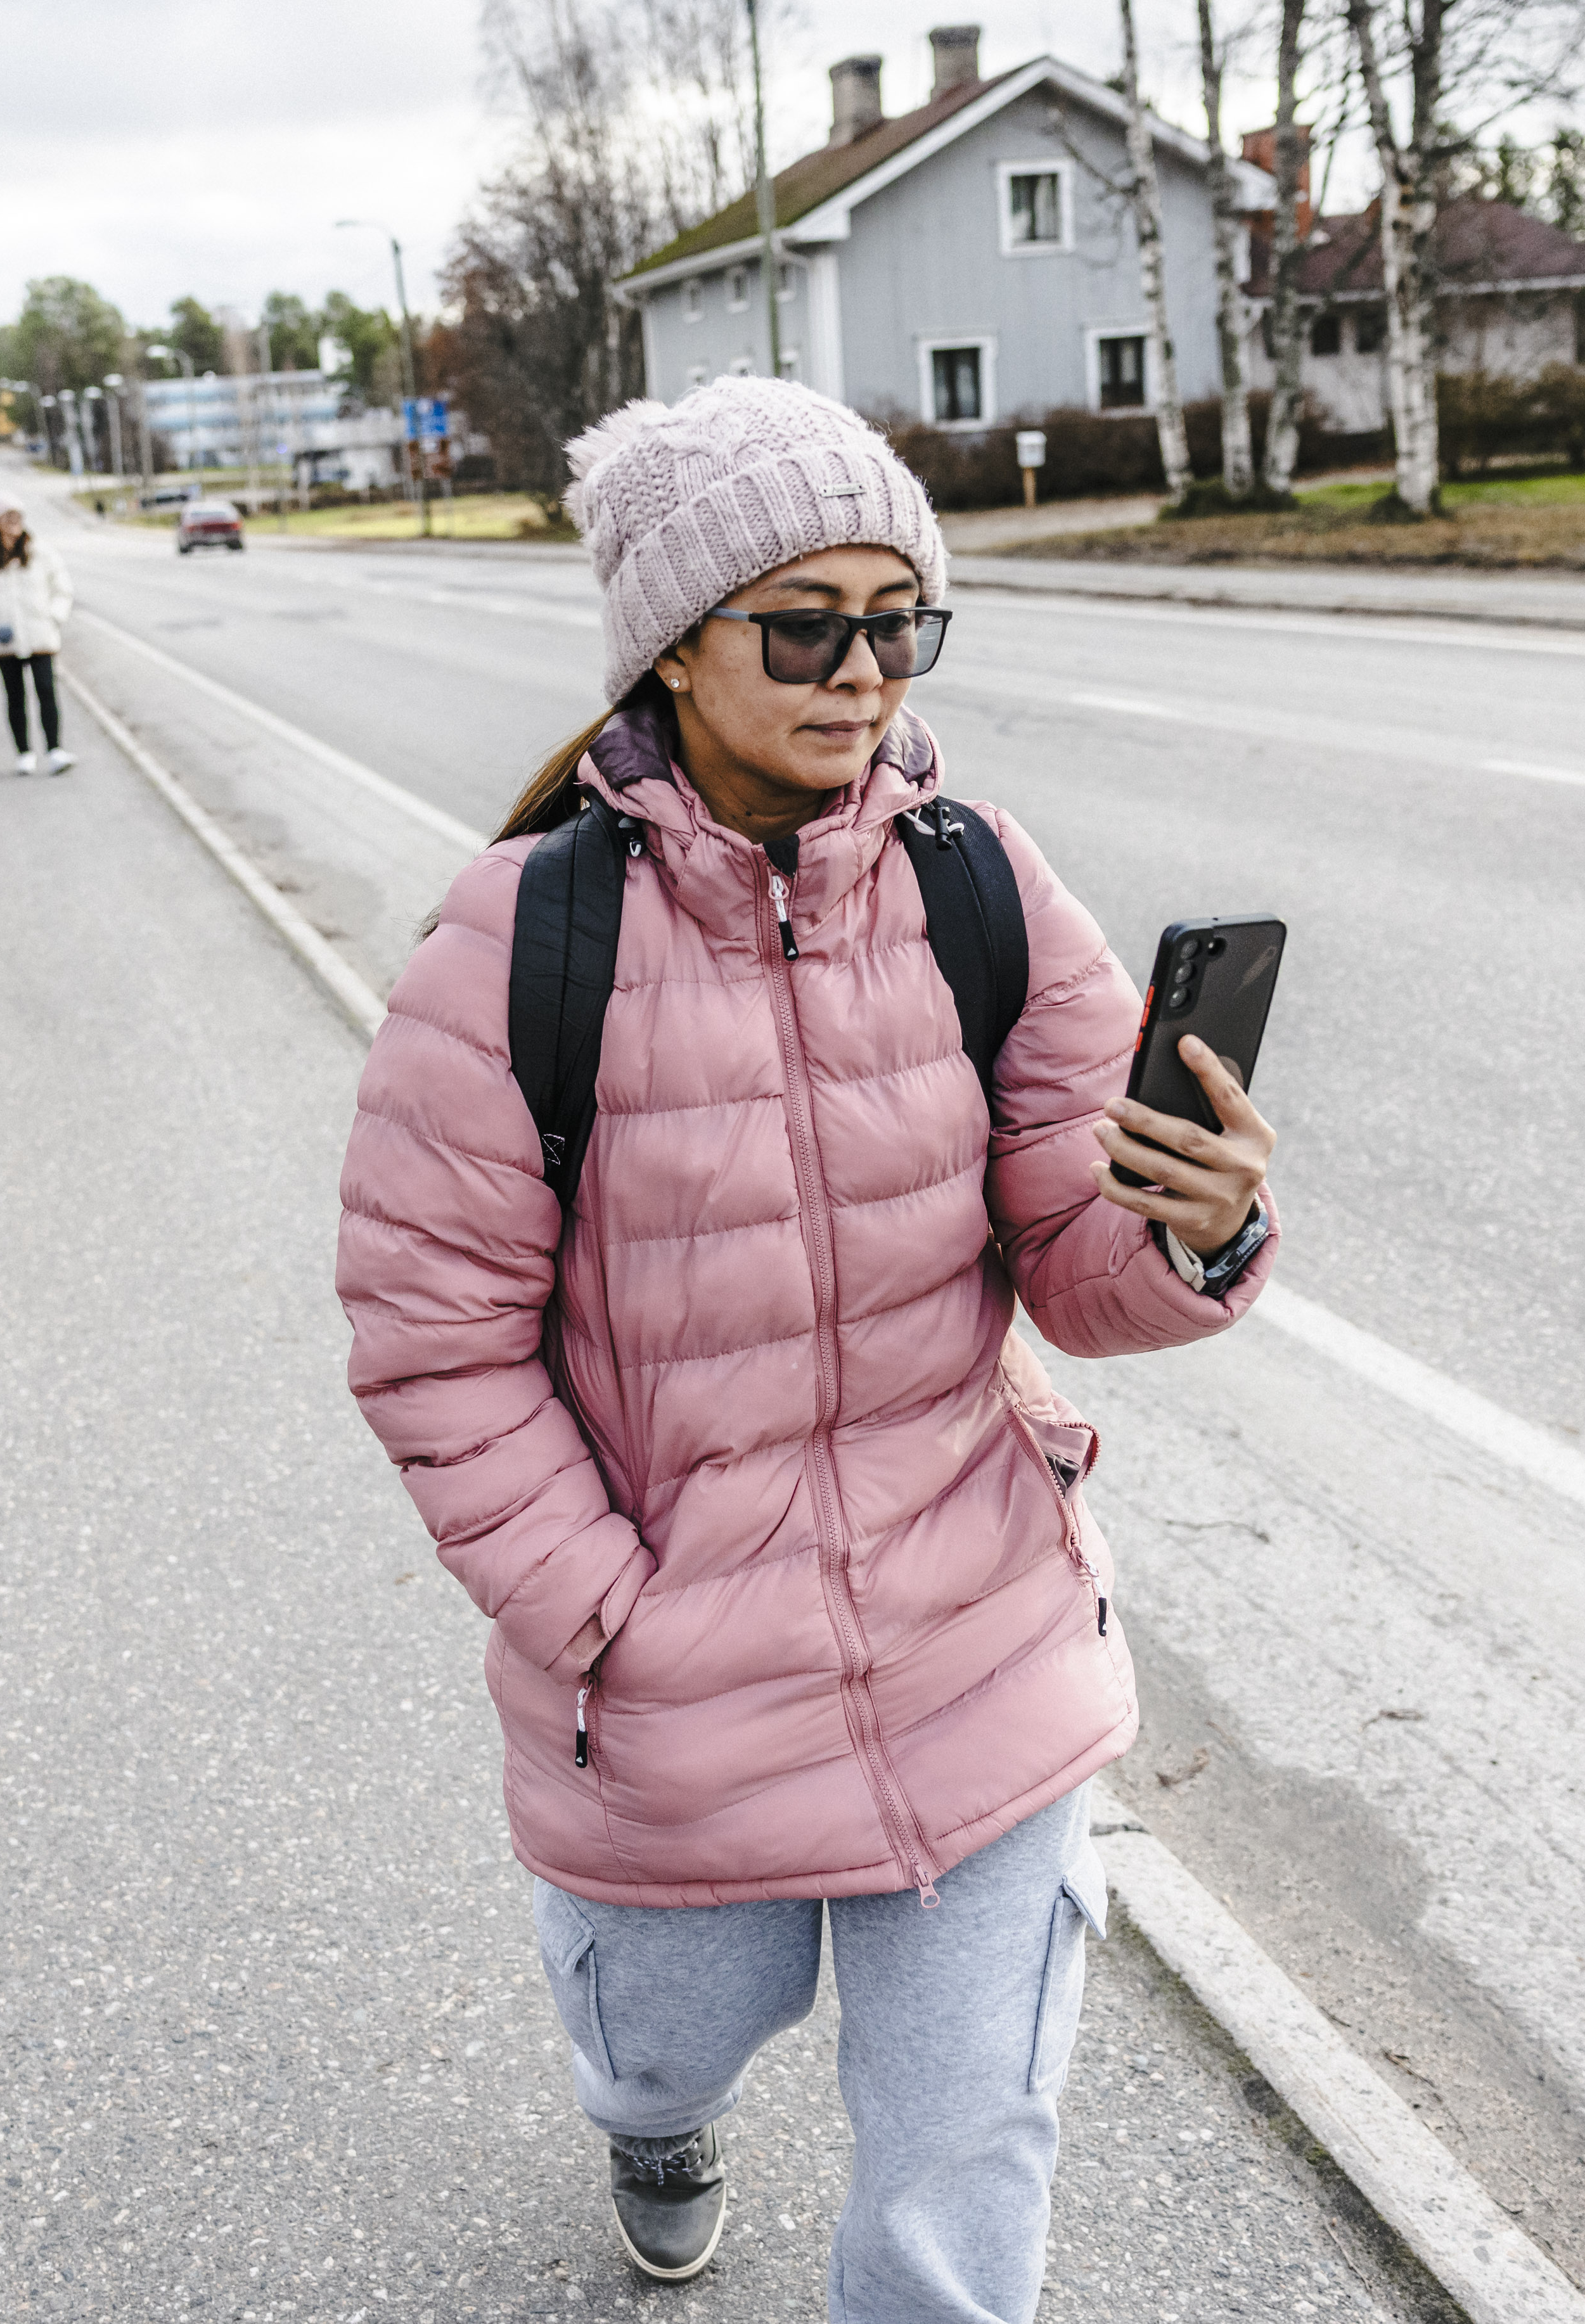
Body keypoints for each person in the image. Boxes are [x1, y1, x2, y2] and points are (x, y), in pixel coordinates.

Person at [334, 378, 1280, 2316]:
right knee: (672, 2036)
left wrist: (1194, 1223)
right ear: (675, 641)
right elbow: (431, 1343)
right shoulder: (519, 941)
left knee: (964, 2156)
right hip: (678, 1690)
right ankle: (648, 2108)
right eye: (805, 624)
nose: (864, 672)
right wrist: (609, 1609)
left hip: (981, 1636)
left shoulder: (978, 885)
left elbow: (1072, 1257)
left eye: (897, 621)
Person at [0, 494, 73, 774]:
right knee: (15, 697)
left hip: (40, 636)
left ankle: (55, 750)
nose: (14, 521)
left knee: (46, 692)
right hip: (6, 641)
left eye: (18, 516)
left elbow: (62, 588)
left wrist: (54, 618)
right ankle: (24, 753)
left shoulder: (41, 552)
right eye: (8, 516)